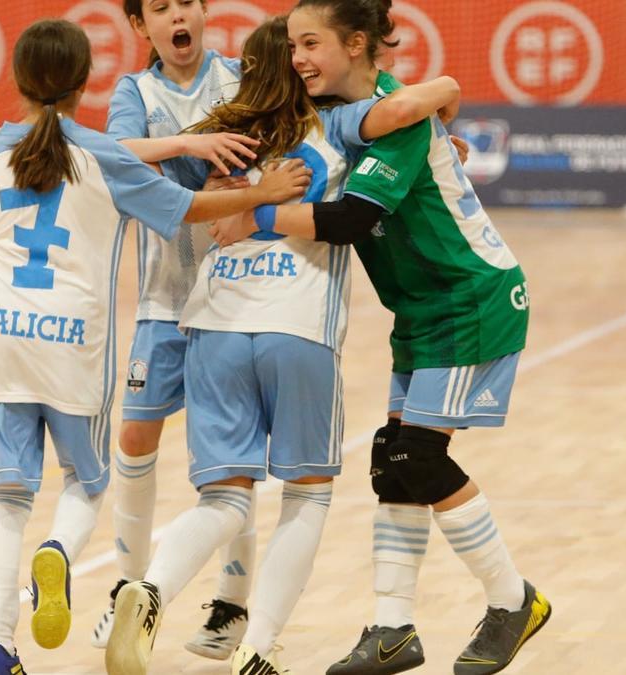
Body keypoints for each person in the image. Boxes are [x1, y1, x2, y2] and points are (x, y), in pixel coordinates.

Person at [103, 15, 466, 675]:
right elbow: (408, 106)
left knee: (224, 498)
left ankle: (150, 585)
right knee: (307, 494)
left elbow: (127, 169)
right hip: (295, 325)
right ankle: (256, 647)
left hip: (209, 323)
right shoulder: (337, 123)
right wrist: (447, 114)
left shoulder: (219, 141)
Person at [211, 2, 552, 674]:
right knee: (391, 457)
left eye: (311, 43)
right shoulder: (347, 111)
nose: (298, 57)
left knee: (418, 458)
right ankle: (393, 627)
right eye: (291, 45)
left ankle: (514, 600)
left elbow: (349, 218)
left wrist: (252, 214)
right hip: (422, 309)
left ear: (358, 43)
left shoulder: (398, 117)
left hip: (470, 299)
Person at [0, 19, 310, 675]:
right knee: (88, 482)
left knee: (6, 499)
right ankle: (62, 553)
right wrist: (263, 191)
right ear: (85, 81)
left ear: (16, 81)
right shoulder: (104, 154)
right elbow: (183, 206)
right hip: (70, 337)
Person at [92, 0, 265, 658]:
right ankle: (129, 589)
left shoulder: (239, 80)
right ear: (142, 27)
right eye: (159, 9)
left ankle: (232, 601)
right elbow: (115, 155)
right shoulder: (135, 90)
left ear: (202, 12)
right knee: (135, 432)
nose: (175, 16)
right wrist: (189, 145)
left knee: (229, 461)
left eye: (184, 3)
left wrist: (241, 177)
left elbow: (280, 146)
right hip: (164, 300)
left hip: (237, 297)